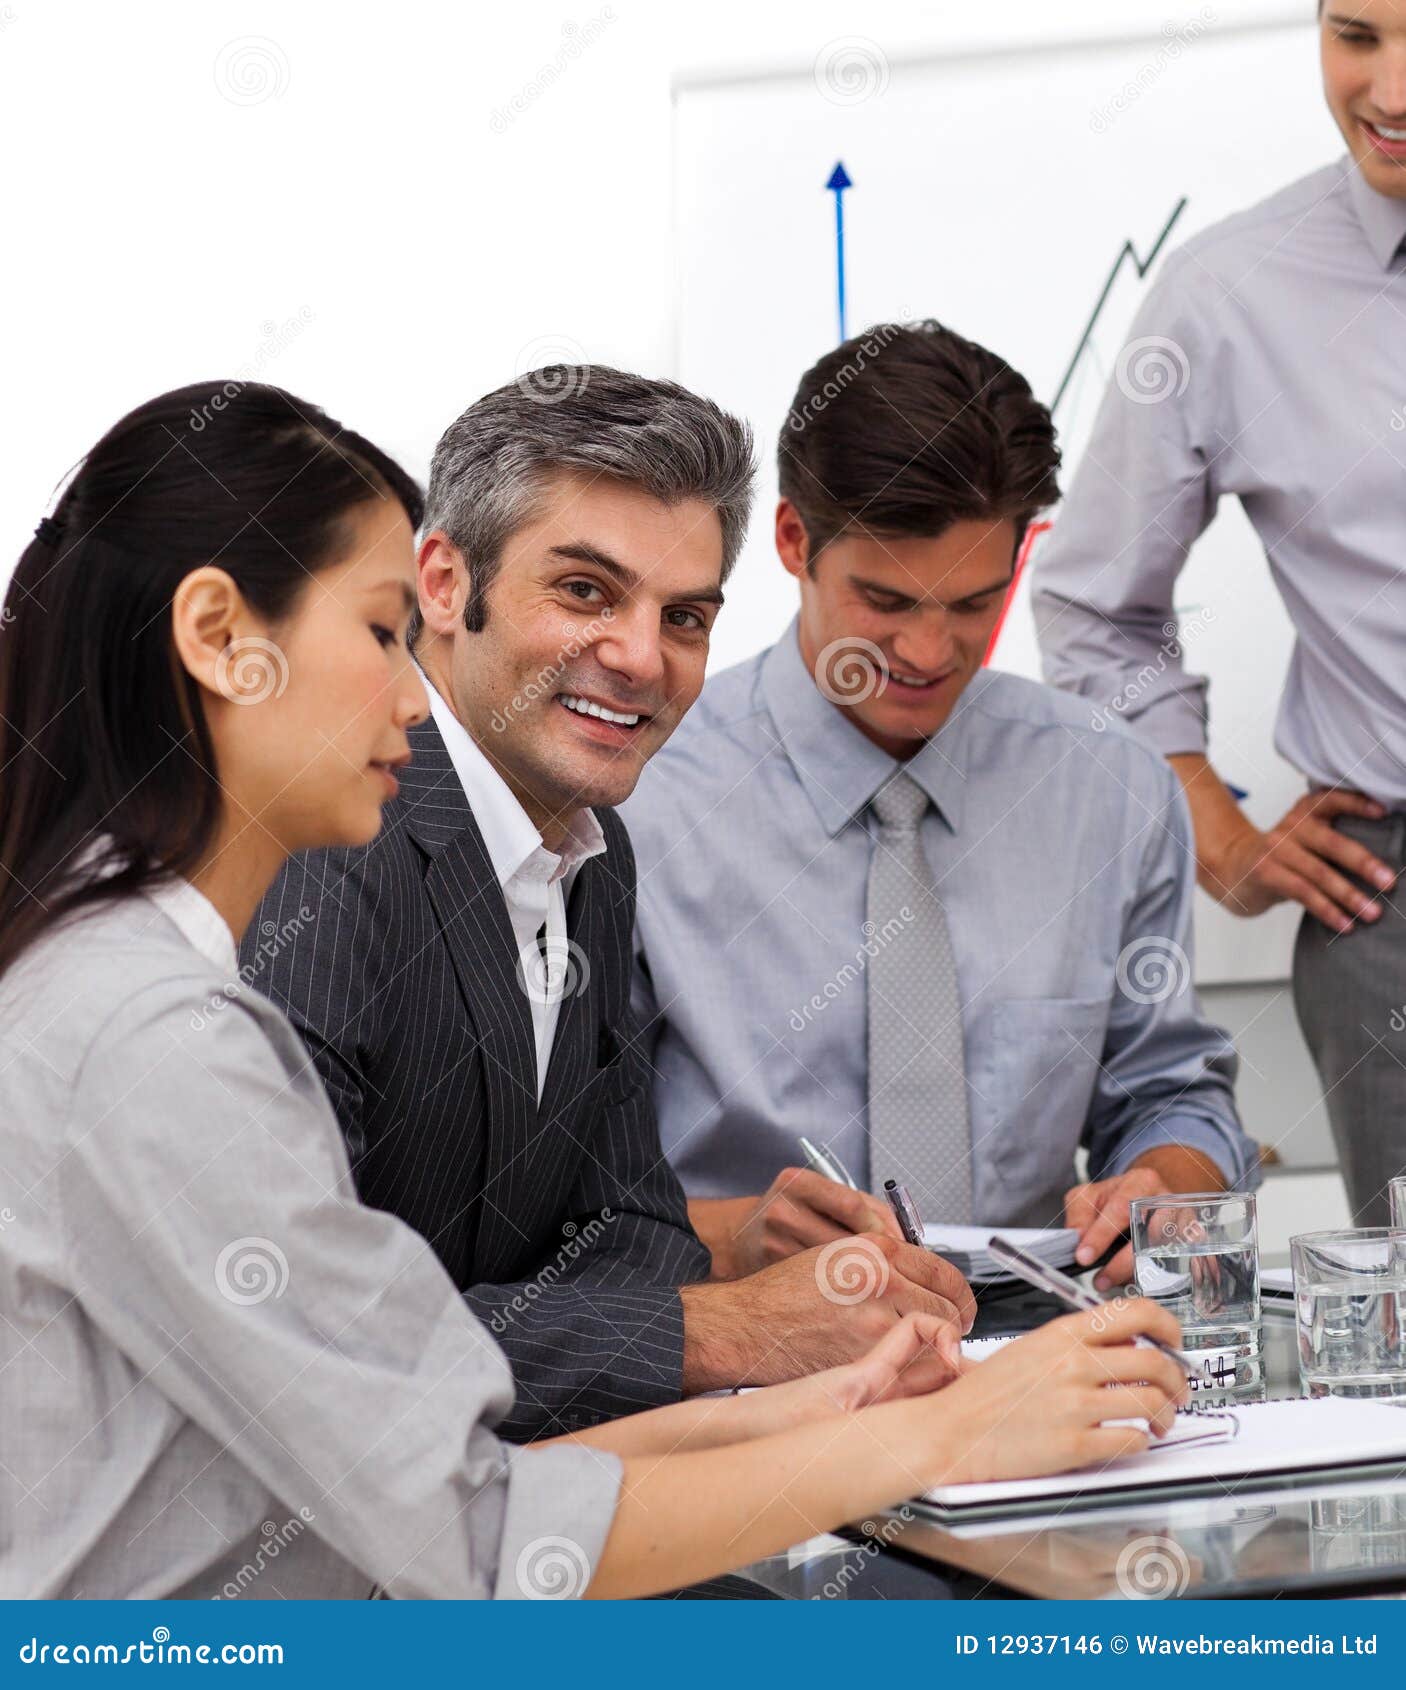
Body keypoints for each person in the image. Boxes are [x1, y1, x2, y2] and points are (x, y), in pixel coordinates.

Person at [0, 381, 1190, 1599]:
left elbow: (587, 1285)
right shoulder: (169, 1026)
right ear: (219, 638)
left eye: (683, 614)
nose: (411, 696)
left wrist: (846, 1404)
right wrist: (927, 1435)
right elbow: (466, 1523)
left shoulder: (577, 849)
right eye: (379, 631)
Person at [245, 366, 973, 1439]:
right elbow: (307, 1328)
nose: (641, 658)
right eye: (585, 591)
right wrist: (722, 1331)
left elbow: (624, 1225)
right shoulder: (331, 841)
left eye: (684, 616)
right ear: (441, 583)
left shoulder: (593, 849)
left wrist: (773, 1305)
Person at [622, 322, 1256, 1294]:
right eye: (884, 599)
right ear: (793, 542)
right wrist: (723, 1235)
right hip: (749, 1353)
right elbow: (559, 1193)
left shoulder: (1109, 789)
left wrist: (1163, 1185)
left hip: (1035, 1349)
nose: (927, 652)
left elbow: (1170, 1091)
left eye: (971, 605)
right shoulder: (637, 795)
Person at [1033, 0, 1406, 1224]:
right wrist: (1223, 839)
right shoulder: (1227, 294)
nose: (1389, 90)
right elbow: (1096, 604)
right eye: (1354, 35)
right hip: (1388, 915)